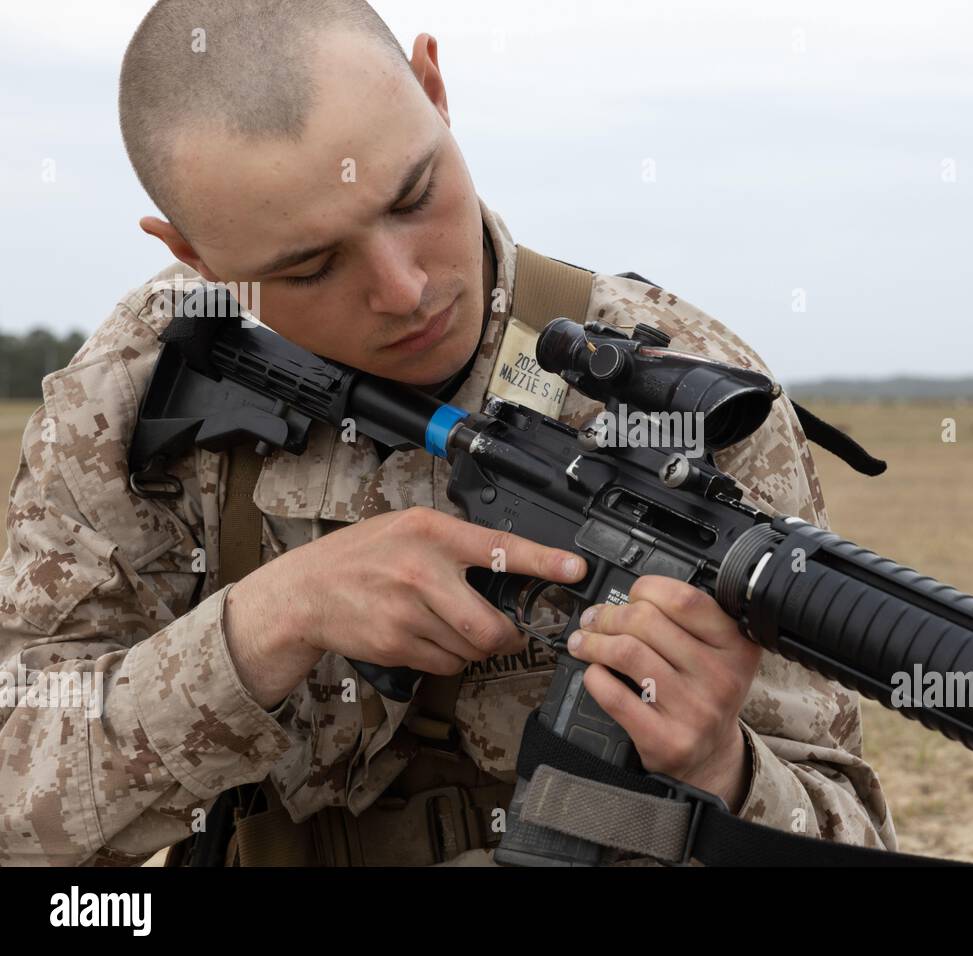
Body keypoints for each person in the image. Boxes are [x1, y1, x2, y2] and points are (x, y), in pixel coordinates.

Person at [0, 0, 896, 866]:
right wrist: (269, 621)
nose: (404, 289)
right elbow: (18, 808)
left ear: (435, 89)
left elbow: (846, 834)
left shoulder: (695, 399)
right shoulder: (127, 395)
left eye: (414, 196)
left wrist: (720, 770)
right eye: (309, 267)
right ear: (194, 256)